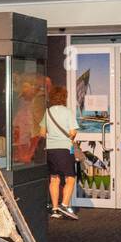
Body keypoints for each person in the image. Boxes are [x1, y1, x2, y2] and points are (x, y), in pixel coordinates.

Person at [44, 87, 79, 221]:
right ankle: (64, 205)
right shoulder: (68, 112)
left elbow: (42, 132)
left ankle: (54, 209)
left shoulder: (47, 112)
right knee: (70, 178)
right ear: (64, 97)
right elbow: (73, 132)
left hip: (50, 149)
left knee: (54, 178)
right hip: (64, 148)